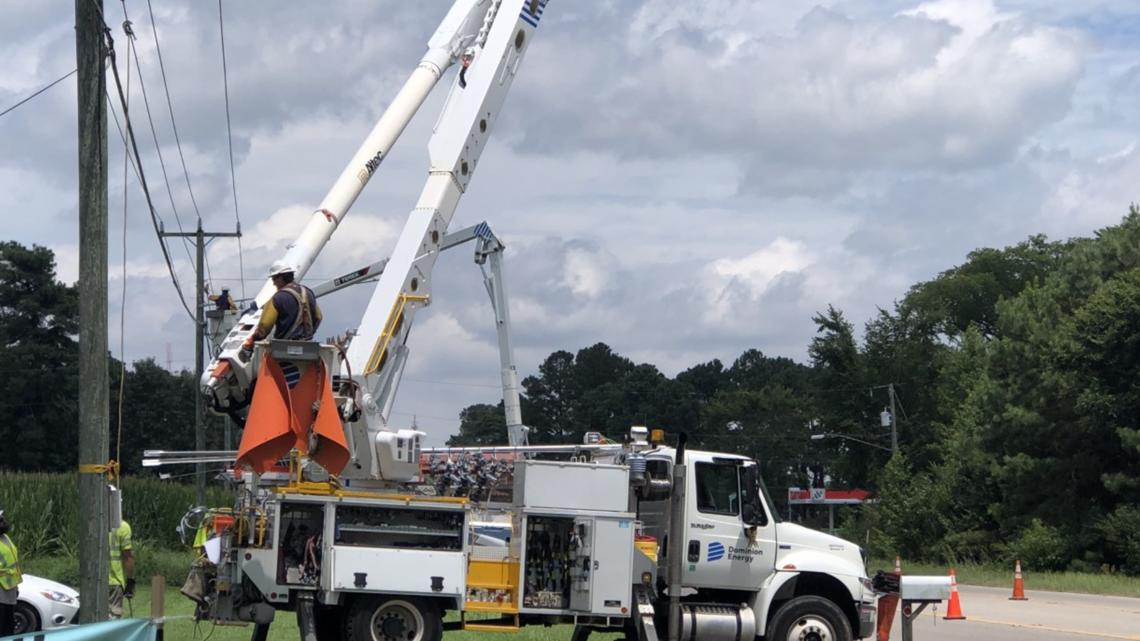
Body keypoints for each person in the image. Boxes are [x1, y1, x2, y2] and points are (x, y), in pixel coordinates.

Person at [243, 260, 323, 348]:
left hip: (283, 350)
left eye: (274, 279)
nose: (273, 283)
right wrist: (309, 334)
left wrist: (253, 339)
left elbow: (264, 326)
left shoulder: (277, 298)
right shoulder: (308, 293)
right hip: (308, 348)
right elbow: (318, 317)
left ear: (280, 278)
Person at [0, 509, 22, 636]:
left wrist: (16, 586)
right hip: (1, 591)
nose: (4, 523)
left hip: (9, 589)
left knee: (8, 629)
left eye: (3, 519)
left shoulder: (5, 538)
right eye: (0, 521)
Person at [109, 519, 135, 620]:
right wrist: (130, 580)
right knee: (114, 619)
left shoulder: (94, 524)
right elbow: (128, 557)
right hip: (115, 581)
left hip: (93, 581)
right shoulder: (123, 527)